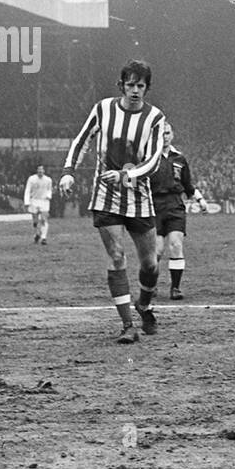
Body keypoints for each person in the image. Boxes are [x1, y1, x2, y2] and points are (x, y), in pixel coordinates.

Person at [60, 60, 167, 343]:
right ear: (121, 85)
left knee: (150, 265)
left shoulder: (155, 118)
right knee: (117, 256)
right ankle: (127, 325)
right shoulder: (103, 109)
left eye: (140, 86)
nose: (134, 91)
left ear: (147, 88)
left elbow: (154, 160)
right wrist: (68, 172)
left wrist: (125, 174)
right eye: (130, 84)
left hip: (139, 198)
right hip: (105, 198)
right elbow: (81, 141)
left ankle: (144, 305)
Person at [151, 123, 208, 300]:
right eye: (161, 134)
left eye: (167, 133)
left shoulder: (180, 159)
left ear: (172, 135)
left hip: (175, 205)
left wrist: (200, 199)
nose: (165, 137)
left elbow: (187, 184)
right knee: (157, 251)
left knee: (176, 245)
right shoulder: (149, 158)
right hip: (154, 206)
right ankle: (150, 285)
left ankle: (175, 288)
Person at [23, 164, 53, 245]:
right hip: (34, 201)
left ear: (44, 171)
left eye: (42, 170)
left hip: (44, 201)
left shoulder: (48, 180)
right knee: (35, 221)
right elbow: (27, 190)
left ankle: (44, 238)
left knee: (44, 219)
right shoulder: (31, 179)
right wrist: (27, 202)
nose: (40, 171)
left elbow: (49, 189)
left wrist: (48, 196)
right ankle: (37, 234)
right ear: (37, 171)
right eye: (39, 170)